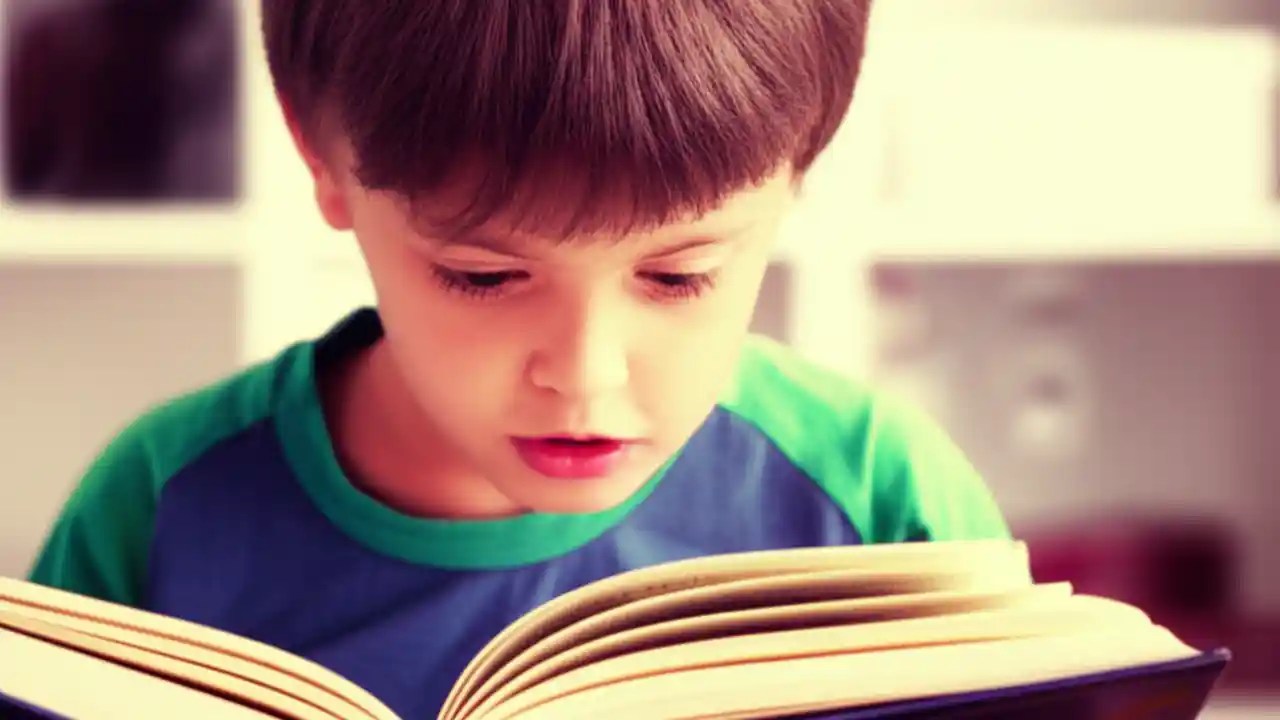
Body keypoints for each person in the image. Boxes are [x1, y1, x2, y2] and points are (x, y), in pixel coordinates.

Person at [27, 1, 1008, 716]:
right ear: (320, 158)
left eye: (677, 277)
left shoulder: (878, 498)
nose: (584, 377)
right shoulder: (157, 510)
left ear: (801, 166)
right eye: (482, 277)